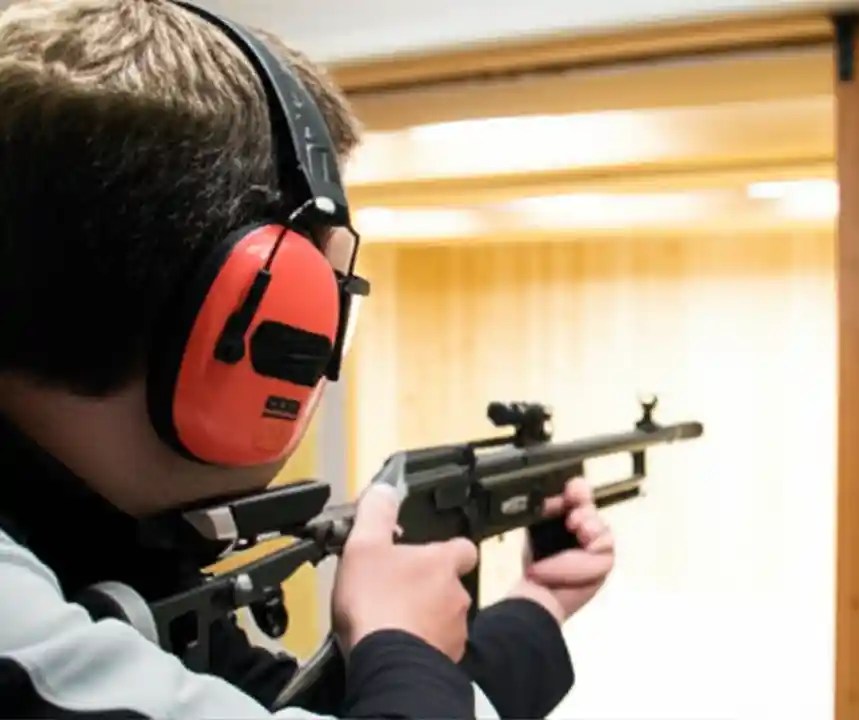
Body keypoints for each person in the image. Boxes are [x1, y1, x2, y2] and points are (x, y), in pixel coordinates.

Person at [0, 0, 615, 717]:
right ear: (271, 319)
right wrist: (401, 645)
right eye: (325, 299)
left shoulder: (83, 551)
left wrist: (533, 608)